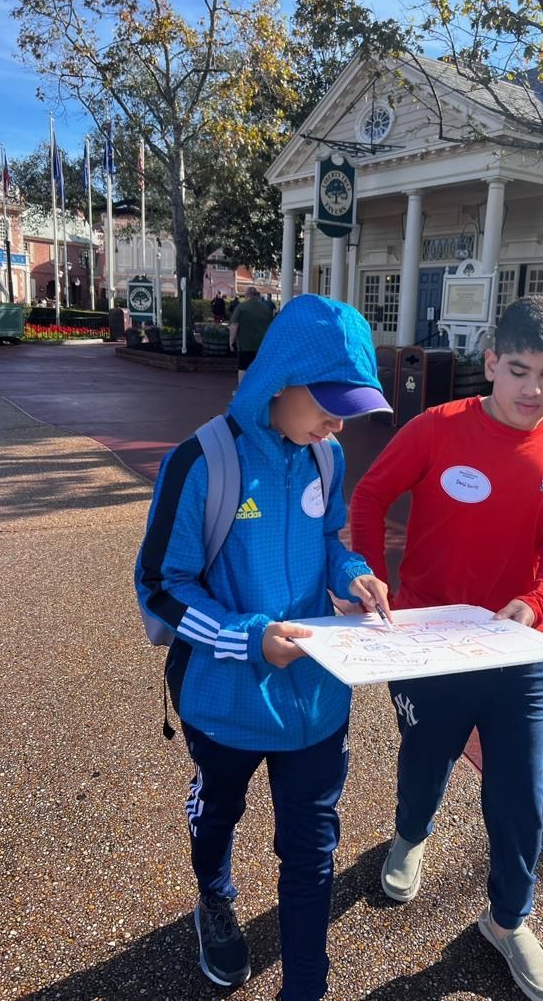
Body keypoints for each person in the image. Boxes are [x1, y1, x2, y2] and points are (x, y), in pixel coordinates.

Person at [136, 294, 393, 1000]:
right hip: (223, 701)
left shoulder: (325, 456)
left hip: (317, 699)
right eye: (331, 405)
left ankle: (306, 984)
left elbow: (328, 539)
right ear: (281, 380)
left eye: (350, 409)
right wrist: (248, 637)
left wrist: (353, 574)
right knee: (217, 812)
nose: (339, 424)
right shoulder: (201, 461)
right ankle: (214, 897)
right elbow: (161, 585)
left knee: (311, 847)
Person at [349, 296, 543, 1001]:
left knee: (521, 788)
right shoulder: (436, 427)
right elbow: (369, 498)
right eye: (517, 370)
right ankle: (410, 835)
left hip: (516, 647)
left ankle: (508, 918)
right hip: (428, 643)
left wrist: (536, 603)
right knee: (426, 757)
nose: (531, 389)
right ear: (490, 364)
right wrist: (373, 581)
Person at [228, 286, 273, 386]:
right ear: (257, 295)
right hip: (262, 345)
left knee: (243, 368)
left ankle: (242, 391)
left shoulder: (241, 307)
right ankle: (258, 390)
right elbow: (272, 326)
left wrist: (231, 341)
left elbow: (234, 325)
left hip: (245, 344)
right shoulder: (267, 308)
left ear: (247, 296)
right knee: (260, 369)